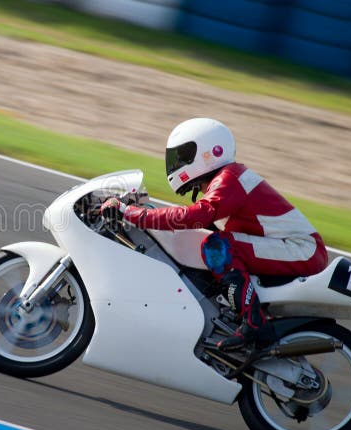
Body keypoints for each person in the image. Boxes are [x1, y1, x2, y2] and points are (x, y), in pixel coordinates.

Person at [100, 118, 328, 351]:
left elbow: (194, 216)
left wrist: (130, 212)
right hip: (285, 246)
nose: (176, 163)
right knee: (205, 242)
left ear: (209, 151)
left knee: (216, 246)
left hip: (301, 249)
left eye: (183, 155)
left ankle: (254, 324)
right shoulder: (223, 181)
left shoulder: (230, 178)